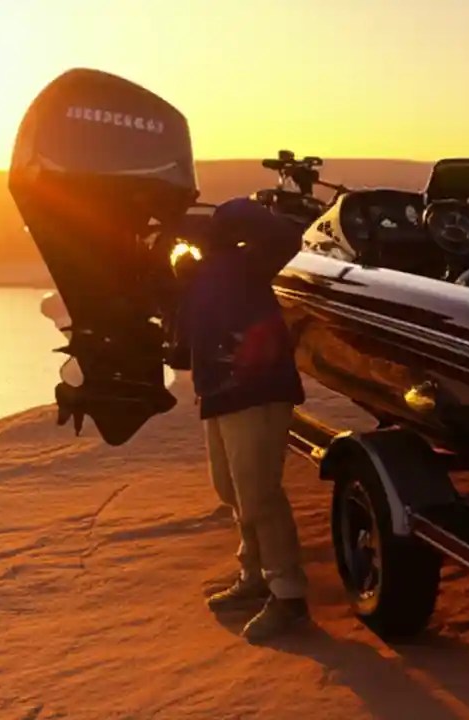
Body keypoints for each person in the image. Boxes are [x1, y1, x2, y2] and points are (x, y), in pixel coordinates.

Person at [174, 196, 309, 643]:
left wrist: (231, 213)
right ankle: (254, 575)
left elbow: (287, 235)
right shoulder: (202, 272)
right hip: (218, 390)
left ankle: (288, 596)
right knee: (230, 489)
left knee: (259, 495)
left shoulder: (250, 260)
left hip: (258, 388)